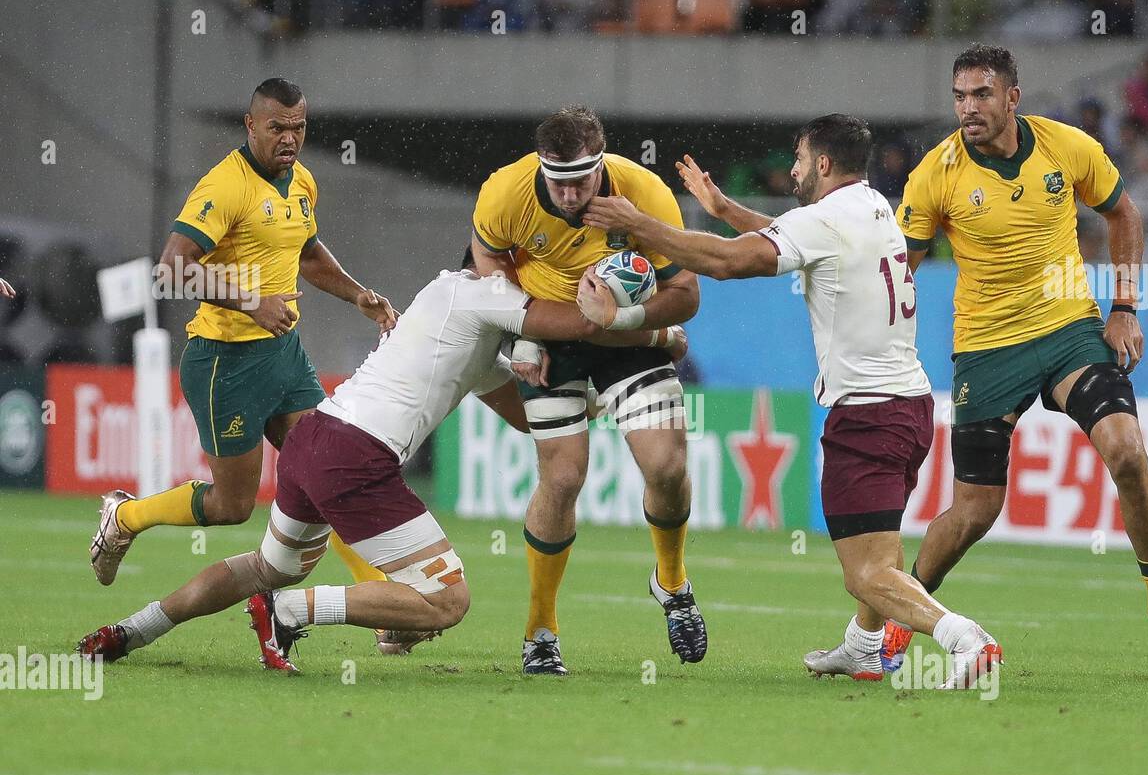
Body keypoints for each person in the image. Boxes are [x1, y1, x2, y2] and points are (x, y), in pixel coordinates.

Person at [76, 257, 687, 672]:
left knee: (266, 566)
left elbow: (530, 416)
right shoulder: (481, 293)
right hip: (354, 457)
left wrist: (587, 395)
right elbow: (577, 321)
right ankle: (288, 614)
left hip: (315, 439)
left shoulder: (460, 317)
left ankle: (131, 631)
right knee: (448, 600)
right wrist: (656, 337)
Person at [581, 115, 1002, 688]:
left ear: (823, 164)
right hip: (909, 405)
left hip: (869, 414)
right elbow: (793, 239)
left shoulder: (827, 219)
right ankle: (863, 647)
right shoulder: (873, 207)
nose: (793, 169)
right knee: (880, 546)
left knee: (866, 572)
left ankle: (963, 638)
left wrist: (641, 225)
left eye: (800, 159)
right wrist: (729, 212)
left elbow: (731, 263)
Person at [895, 44, 1148, 671]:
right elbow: (900, 267)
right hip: (986, 349)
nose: (969, 109)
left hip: (1069, 328)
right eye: (959, 96)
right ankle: (904, 619)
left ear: (1014, 97)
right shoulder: (936, 173)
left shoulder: (1066, 147)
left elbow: (1123, 212)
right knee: (975, 511)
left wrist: (1125, 306)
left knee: (1128, 452)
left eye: (982, 95)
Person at [89, 77, 393, 592]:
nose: (290, 139)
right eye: (278, 128)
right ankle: (126, 518)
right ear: (251, 125)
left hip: (284, 357)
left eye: (299, 128)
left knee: (326, 473)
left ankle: (379, 597)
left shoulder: (301, 182)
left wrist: (357, 294)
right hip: (224, 363)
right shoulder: (224, 186)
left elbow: (309, 255)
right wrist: (253, 302)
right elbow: (170, 270)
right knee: (231, 506)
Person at [471, 105, 706, 674]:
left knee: (667, 466)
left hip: (626, 338)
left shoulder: (643, 194)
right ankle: (540, 630)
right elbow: (486, 257)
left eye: (582, 181)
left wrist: (628, 323)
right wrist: (518, 325)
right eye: (560, 182)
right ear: (540, 168)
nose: (572, 194)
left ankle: (671, 583)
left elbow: (687, 293)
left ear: (602, 167)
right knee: (563, 476)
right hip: (552, 339)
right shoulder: (504, 193)